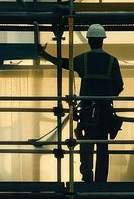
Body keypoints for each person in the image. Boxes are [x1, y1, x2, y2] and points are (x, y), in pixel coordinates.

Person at [37, 23, 124, 182]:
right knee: (102, 147)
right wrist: (106, 97)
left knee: (86, 145)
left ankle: (87, 176)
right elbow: (119, 86)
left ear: (89, 41)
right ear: (102, 41)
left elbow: (63, 63)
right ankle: (100, 180)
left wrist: (44, 54)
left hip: (86, 111)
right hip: (104, 112)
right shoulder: (112, 61)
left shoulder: (83, 60)